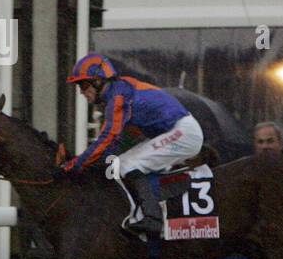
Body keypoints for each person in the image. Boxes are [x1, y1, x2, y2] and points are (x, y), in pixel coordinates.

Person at [59, 52, 205, 239]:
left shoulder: (118, 97)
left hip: (183, 132)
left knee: (127, 165)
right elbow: (117, 142)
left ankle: (153, 218)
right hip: (175, 130)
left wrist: (75, 165)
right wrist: (89, 163)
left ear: (99, 81)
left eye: (84, 84)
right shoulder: (117, 93)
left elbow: (107, 139)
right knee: (122, 163)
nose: (81, 91)